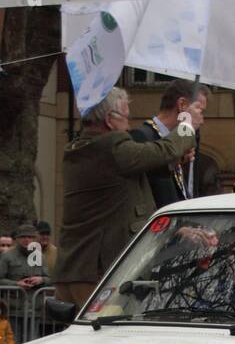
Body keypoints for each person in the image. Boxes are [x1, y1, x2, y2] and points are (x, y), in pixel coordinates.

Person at [55, 87, 197, 307]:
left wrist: (175, 161)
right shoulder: (112, 147)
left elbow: (131, 174)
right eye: (125, 118)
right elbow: (164, 151)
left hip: (76, 270)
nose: (128, 126)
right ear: (110, 120)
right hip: (101, 274)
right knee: (107, 338)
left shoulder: (79, 149)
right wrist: (187, 127)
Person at [128, 80, 210, 207]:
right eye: (199, 110)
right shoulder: (142, 136)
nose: (202, 120)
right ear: (182, 104)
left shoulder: (182, 146)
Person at [0, 225, 48, 291]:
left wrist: (41, 280)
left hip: (35, 298)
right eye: (23, 237)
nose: (26, 239)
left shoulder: (40, 256)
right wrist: (16, 284)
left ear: (35, 239)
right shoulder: (7, 255)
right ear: (17, 239)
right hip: (15, 298)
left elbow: (49, 279)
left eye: (30, 237)